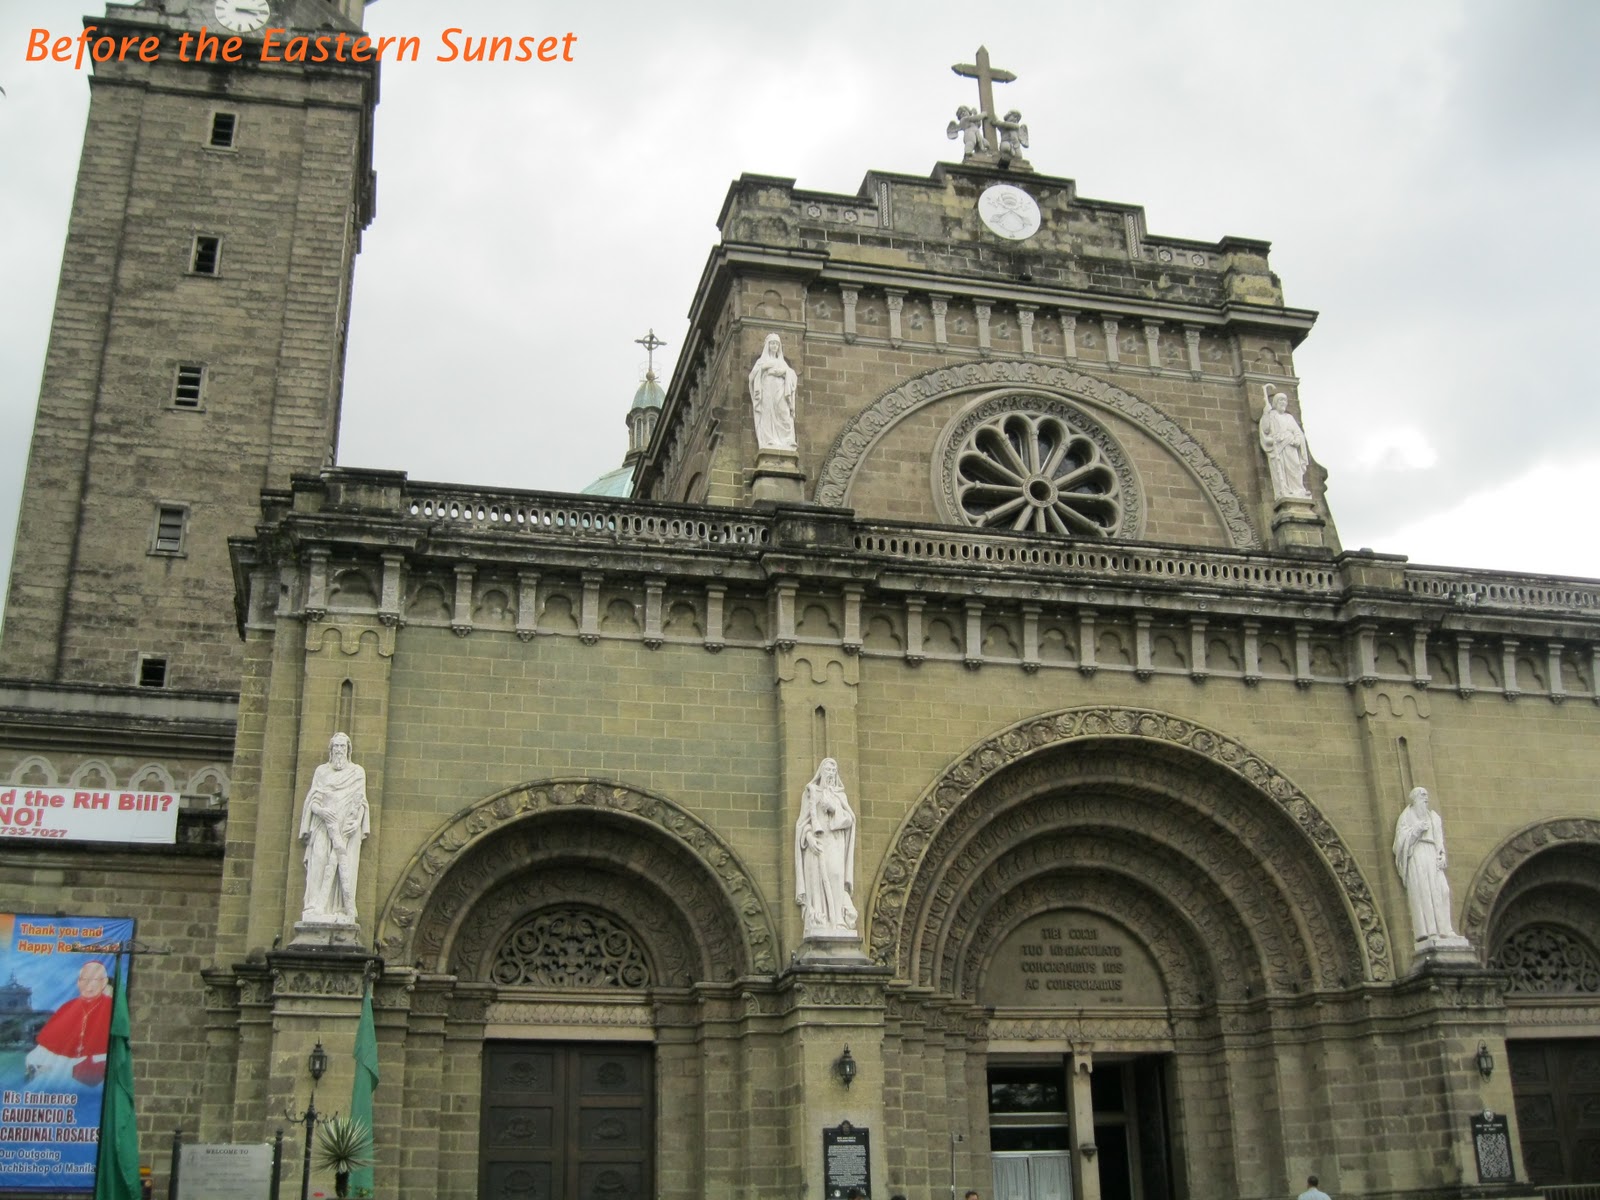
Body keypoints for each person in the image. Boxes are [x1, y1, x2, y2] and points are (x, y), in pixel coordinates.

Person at [299, 732, 370, 924]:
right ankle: (315, 906)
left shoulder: (357, 772)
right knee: (320, 861)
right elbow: (313, 800)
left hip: (347, 829)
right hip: (324, 825)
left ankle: (341, 907)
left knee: (345, 867)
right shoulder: (321, 772)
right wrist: (321, 812)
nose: (339, 750)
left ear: (348, 750)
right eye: (336, 746)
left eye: (342, 746)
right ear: (331, 750)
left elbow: (361, 802)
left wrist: (356, 823)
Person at [795, 758, 858, 937]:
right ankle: (820, 917)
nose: (830, 772)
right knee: (818, 880)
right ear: (821, 771)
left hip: (835, 842)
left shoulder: (840, 795)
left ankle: (838, 918)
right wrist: (809, 838)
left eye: (833, 770)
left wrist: (834, 809)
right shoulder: (811, 792)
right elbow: (802, 823)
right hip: (817, 844)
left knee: (836, 874)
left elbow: (850, 820)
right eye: (828, 769)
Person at [25, 960, 113, 1088]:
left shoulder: (112, 1009)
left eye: (94, 980)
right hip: (59, 1077)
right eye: (84, 980)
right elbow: (42, 1051)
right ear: (78, 983)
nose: (89, 986)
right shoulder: (68, 1007)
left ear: (104, 983)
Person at [1392, 786, 1458, 943]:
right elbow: (1399, 843)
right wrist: (1417, 830)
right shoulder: (1406, 816)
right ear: (1415, 798)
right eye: (1422, 795)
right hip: (1418, 853)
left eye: (1426, 795)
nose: (1426, 798)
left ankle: (1446, 929)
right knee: (1425, 891)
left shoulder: (1433, 816)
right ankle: (1431, 931)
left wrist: (1441, 854)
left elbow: (1439, 837)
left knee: (1443, 890)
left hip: (1433, 853)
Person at [1258, 388, 1312, 501]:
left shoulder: (1289, 417)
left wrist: (1297, 439)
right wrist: (1266, 413)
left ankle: (1298, 490)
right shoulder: (1271, 415)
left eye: (1284, 401)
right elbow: (1265, 429)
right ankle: (1285, 491)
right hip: (1279, 446)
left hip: (1291, 445)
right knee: (1281, 469)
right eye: (1280, 401)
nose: (1283, 403)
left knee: (1295, 467)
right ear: (1276, 403)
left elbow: (1298, 432)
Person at [748, 333, 798, 452]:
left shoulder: (782, 362)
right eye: (772, 343)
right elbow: (751, 377)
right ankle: (769, 439)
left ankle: (787, 440)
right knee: (767, 412)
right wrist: (764, 368)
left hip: (781, 390)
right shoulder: (762, 361)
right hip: (767, 389)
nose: (775, 346)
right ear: (768, 345)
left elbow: (792, 375)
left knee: (784, 412)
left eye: (777, 344)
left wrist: (783, 372)